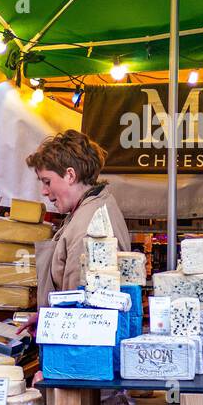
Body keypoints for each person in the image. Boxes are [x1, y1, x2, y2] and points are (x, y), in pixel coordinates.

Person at [26, 130, 130, 306]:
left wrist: (53, 317)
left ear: (70, 175)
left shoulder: (89, 227)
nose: (44, 191)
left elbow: (78, 303)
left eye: (47, 181)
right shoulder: (95, 205)